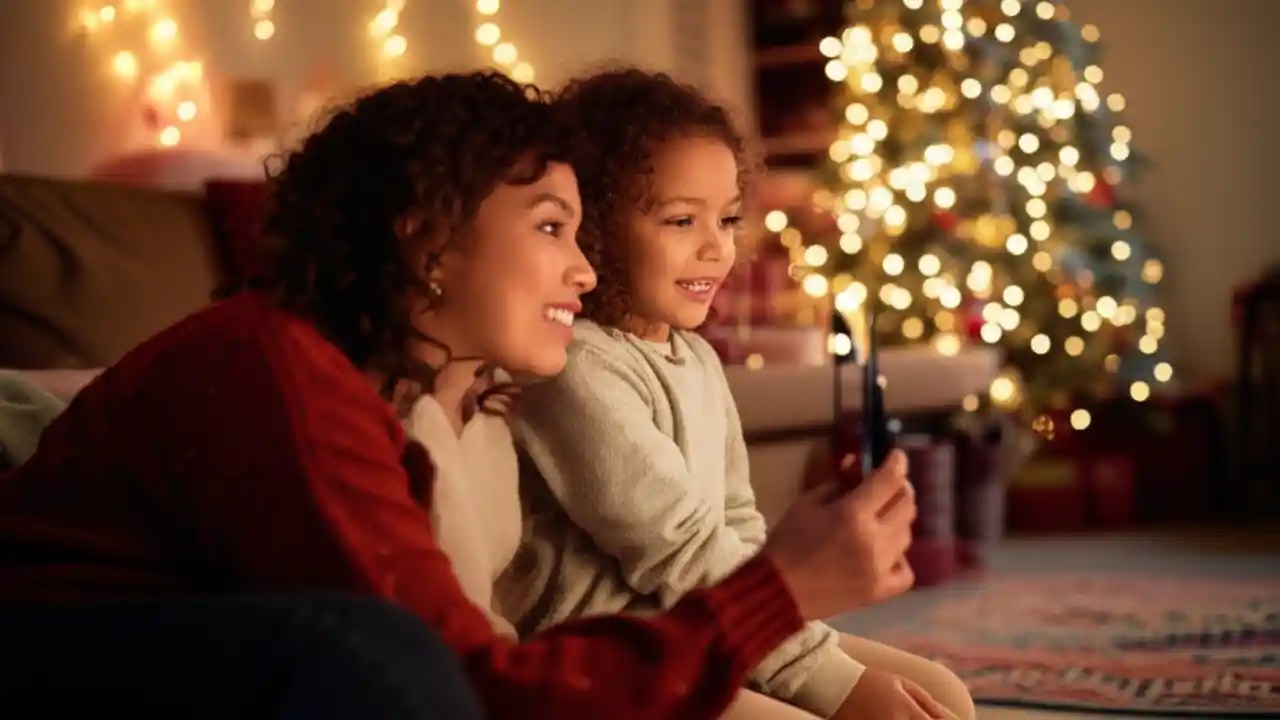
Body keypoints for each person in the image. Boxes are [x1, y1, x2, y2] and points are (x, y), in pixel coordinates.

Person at [0, 71, 918, 720]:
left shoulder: (428, 398)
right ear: (428, 239)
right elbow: (469, 688)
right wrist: (778, 591)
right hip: (58, 656)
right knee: (391, 661)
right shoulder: (280, 375)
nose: (587, 266)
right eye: (553, 227)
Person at [501, 68, 975, 720]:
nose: (716, 248)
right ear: (597, 224)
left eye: (726, 219)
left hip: (716, 625)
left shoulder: (695, 359)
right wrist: (828, 682)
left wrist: (795, 642)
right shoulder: (572, 368)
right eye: (679, 221)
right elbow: (683, 552)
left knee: (946, 697)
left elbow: (739, 524)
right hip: (617, 655)